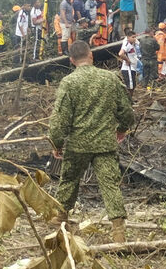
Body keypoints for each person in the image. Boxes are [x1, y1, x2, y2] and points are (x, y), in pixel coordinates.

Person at [49, 40, 134, 243]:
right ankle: (118, 232)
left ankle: (59, 220)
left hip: (77, 144)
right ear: (91, 56)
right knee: (110, 185)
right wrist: (121, 129)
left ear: (71, 60)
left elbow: (60, 118)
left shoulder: (69, 83)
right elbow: (127, 111)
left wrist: (56, 143)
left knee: (69, 180)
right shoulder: (110, 79)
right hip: (105, 143)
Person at [118, 30, 139, 99]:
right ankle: (128, 100)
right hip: (128, 68)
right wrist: (127, 60)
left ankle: (130, 99)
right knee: (129, 86)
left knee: (133, 85)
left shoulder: (134, 44)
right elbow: (121, 54)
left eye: (135, 37)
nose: (134, 39)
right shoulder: (127, 45)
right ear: (128, 37)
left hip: (133, 68)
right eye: (133, 37)